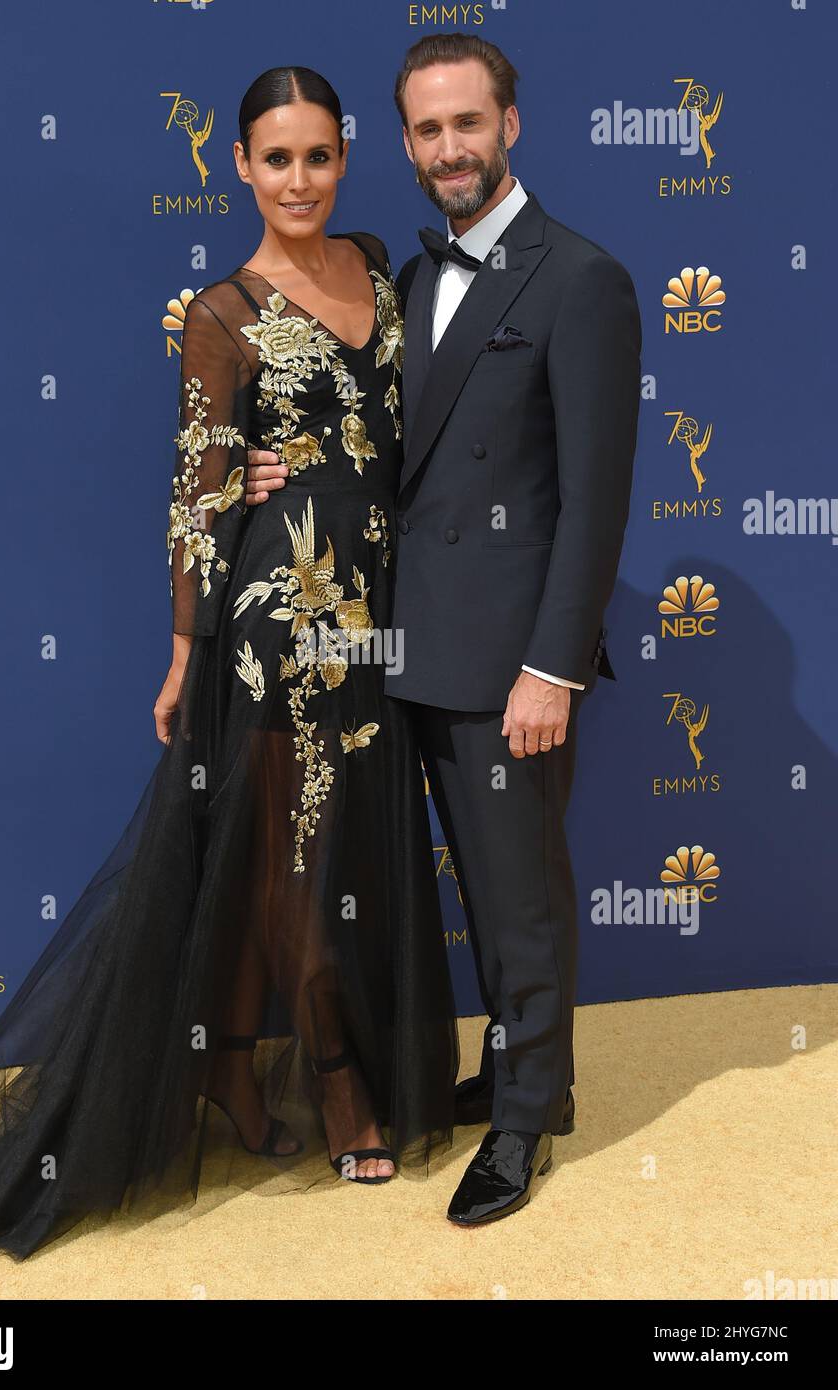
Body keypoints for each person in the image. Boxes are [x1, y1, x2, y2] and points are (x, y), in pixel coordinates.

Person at [0, 65, 458, 1262]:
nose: (298, 179)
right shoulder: (222, 313)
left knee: (330, 852)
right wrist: (180, 655)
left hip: (375, 621)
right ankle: (339, 1080)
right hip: (271, 617)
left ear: (342, 159)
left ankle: (229, 1071)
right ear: (239, 167)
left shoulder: (383, 268)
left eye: (317, 155)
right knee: (293, 867)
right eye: (276, 159)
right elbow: (195, 496)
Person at [246, 34, 642, 1227]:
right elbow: (379, 455)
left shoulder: (582, 279)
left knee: (517, 896)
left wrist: (549, 669)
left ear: (510, 124)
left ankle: (529, 1118)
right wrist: (277, 471)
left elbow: (595, 500)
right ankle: (506, 1068)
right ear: (405, 143)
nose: (449, 149)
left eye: (468, 123)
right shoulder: (404, 282)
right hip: (394, 648)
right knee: (441, 889)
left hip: (505, 663)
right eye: (426, 131)